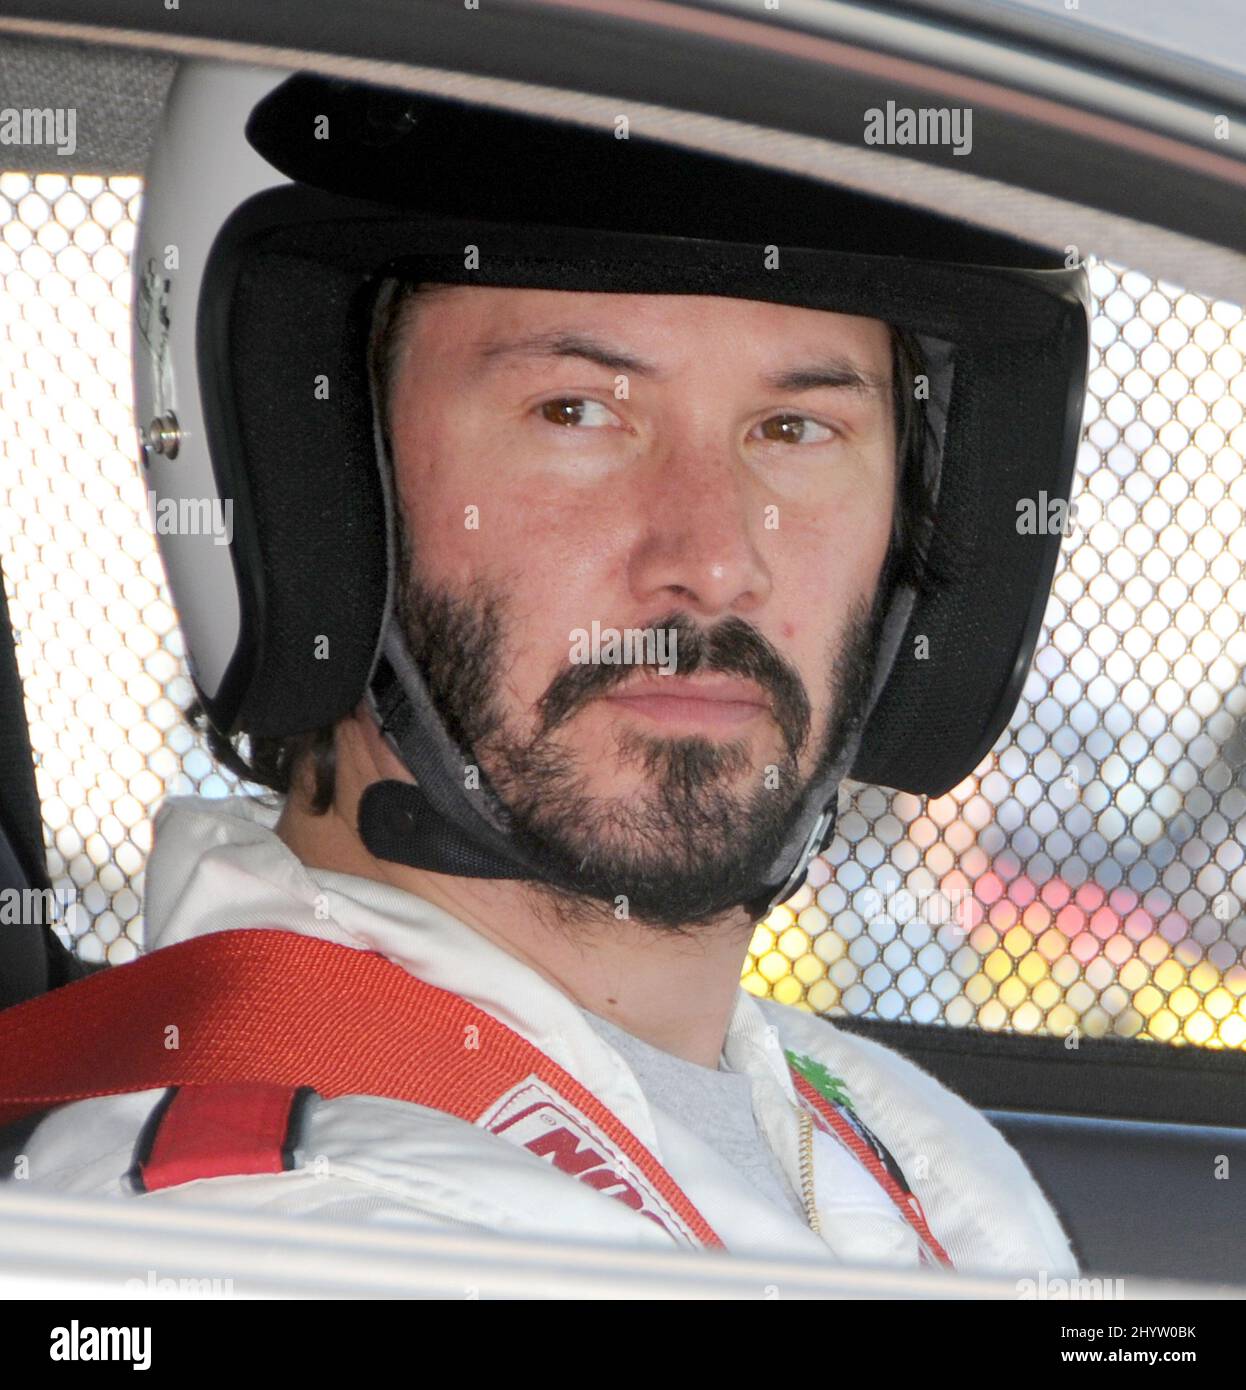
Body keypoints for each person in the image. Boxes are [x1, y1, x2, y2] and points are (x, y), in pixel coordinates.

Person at [4, 63, 1090, 1275]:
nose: (716, 559)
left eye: (795, 429)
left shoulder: (891, 1140)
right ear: (318, 494)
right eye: (578, 412)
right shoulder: (266, 1234)